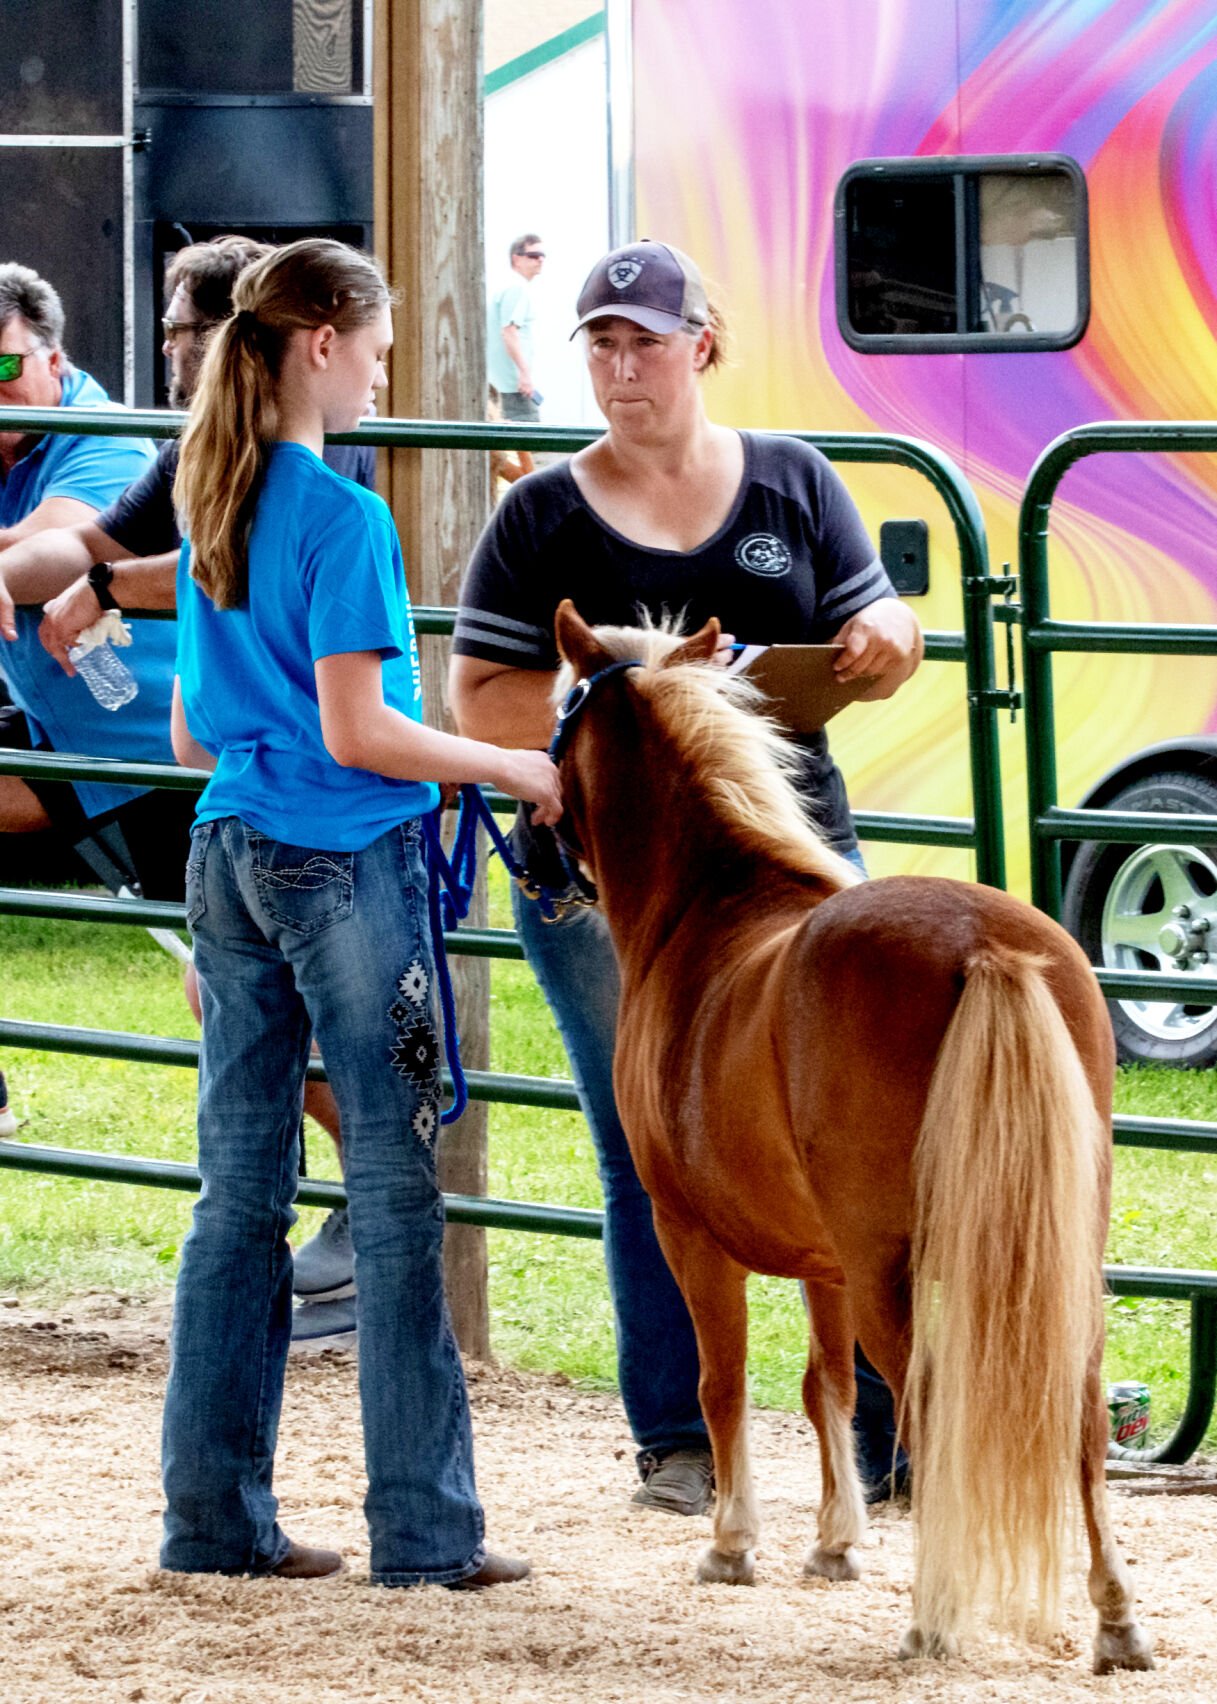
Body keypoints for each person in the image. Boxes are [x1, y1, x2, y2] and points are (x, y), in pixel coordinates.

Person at [449, 239, 924, 1513]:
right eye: (600, 344)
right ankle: (674, 1437)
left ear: (700, 346)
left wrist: (887, 635)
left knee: (856, 1134)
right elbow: (478, 697)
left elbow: (879, 618)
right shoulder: (538, 516)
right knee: (643, 1143)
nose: (620, 368)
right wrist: (637, 699)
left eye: (644, 343)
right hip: (611, 883)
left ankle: (891, 1433)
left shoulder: (790, 481)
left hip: (792, 855)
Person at [162, 237, 561, 1586]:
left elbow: (190, 733)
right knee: (394, 1188)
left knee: (238, 1194)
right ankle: (426, 1532)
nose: (383, 374)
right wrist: (509, 767)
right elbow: (358, 730)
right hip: (344, 865)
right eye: (378, 351)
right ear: (322, 342)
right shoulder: (345, 520)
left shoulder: (213, 504)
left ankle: (213, 1520)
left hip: (228, 852)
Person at [0, 238, 369, 1345]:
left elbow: (218, 559)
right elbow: (91, 549)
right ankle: (320, 1231)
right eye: (168, 331)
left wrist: (100, 583)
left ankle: (379, 1207)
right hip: (143, 755)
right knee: (239, 994)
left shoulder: (289, 449)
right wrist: (69, 575)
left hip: (252, 768)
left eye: (186, 331)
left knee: (267, 994)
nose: (170, 352)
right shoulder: (192, 447)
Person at [487, 234, 545, 422]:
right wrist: (524, 374)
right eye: (533, 255)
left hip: (499, 384)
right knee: (528, 434)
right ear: (516, 259)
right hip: (512, 386)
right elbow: (509, 332)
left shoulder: (504, 285)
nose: (540, 260)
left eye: (542, 255)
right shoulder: (516, 288)